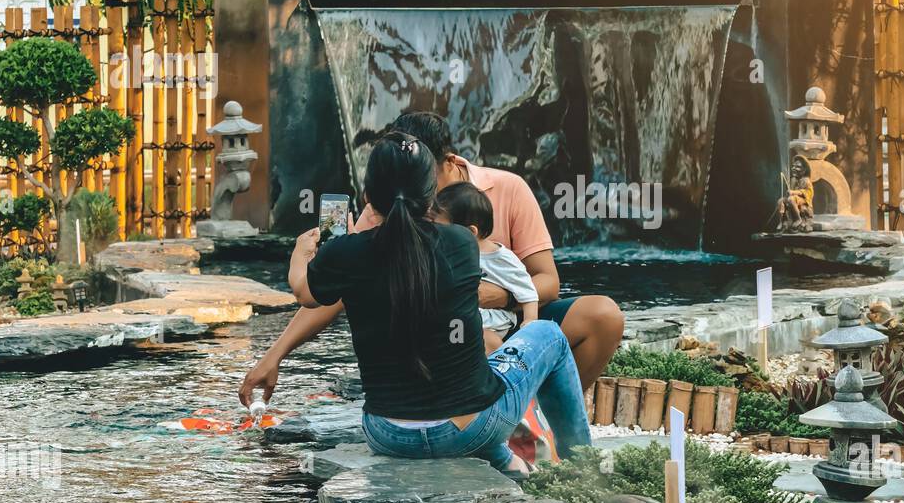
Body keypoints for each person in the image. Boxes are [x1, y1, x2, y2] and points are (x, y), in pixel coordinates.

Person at [240, 111, 624, 403]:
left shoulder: (507, 188)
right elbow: (336, 289)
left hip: (515, 316)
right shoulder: (390, 205)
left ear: (448, 161)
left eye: (422, 170)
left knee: (602, 315)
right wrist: (275, 355)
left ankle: (533, 409)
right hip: (442, 336)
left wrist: (500, 296)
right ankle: (503, 414)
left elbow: (548, 281)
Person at [283, 131, 590, 478]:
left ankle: (507, 461)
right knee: (549, 334)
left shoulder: (345, 253)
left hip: (388, 435)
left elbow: (304, 293)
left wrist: (302, 255)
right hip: (468, 427)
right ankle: (583, 468)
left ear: (368, 197)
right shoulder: (460, 241)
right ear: (431, 196)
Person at [433, 181, 539, 340]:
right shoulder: (447, 251)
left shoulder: (500, 258)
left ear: (469, 232)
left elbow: (527, 291)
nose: (434, 232)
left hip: (495, 319)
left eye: (440, 228)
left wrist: (530, 320)